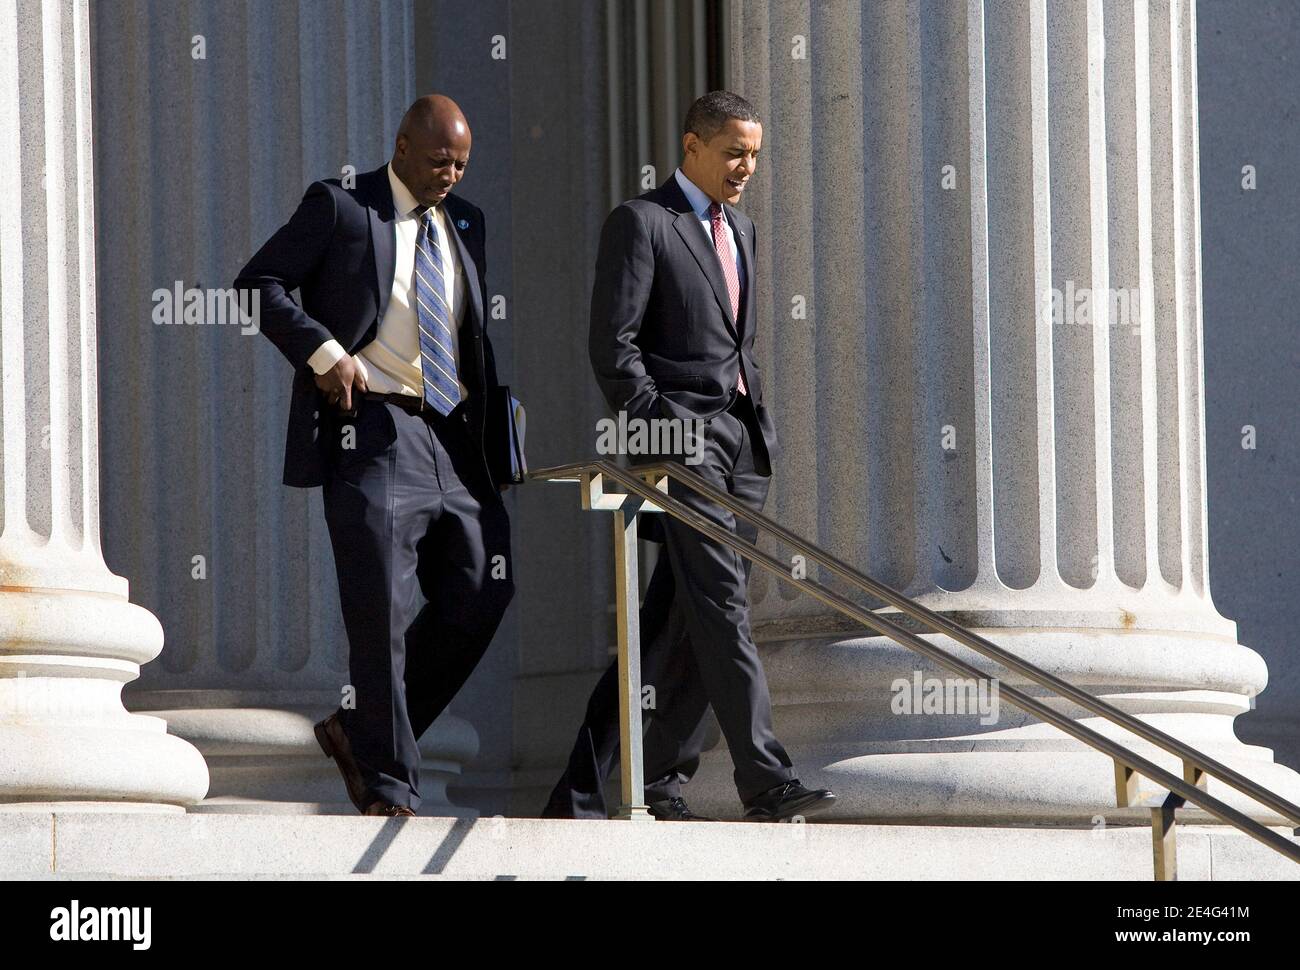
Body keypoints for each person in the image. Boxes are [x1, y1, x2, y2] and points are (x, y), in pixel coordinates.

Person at [543, 91, 835, 822]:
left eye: (755, 155)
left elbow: (739, 344)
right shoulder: (642, 222)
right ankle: (765, 780)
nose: (746, 167)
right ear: (693, 145)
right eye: (734, 151)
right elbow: (613, 349)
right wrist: (665, 428)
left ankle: (607, 789)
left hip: (743, 446)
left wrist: (749, 422)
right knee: (723, 608)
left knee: (674, 626)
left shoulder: (743, 228)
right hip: (680, 446)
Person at [235, 94, 514, 817]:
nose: (451, 174)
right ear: (400, 146)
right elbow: (257, 284)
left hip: (452, 434)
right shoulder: (341, 206)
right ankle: (390, 786)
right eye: (438, 160)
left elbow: (469, 335)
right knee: (380, 611)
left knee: (484, 589)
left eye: (461, 164)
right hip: (375, 428)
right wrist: (325, 352)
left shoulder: (467, 222)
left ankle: (362, 733)